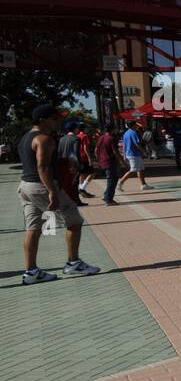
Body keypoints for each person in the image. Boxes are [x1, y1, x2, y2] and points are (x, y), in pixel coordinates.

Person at [17, 105, 100, 284]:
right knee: (75, 221)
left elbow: (37, 161)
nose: (58, 121)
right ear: (42, 120)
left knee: (33, 228)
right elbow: (42, 166)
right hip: (42, 186)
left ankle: (31, 272)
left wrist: (63, 161)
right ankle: (73, 263)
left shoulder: (26, 137)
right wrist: (52, 191)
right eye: (55, 118)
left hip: (25, 186)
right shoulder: (44, 139)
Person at [116, 120, 153, 194]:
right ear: (133, 125)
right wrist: (144, 152)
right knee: (133, 170)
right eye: (135, 124)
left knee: (140, 169)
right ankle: (120, 182)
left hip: (131, 153)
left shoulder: (126, 133)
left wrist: (124, 154)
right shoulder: (134, 132)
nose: (137, 126)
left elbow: (124, 144)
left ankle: (143, 185)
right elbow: (137, 144)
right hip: (134, 154)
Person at [96, 123, 123, 205]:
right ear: (112, 129)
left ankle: (106, 196)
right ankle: (109, 200)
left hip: (103, 162)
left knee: (110, 180)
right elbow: (115, 152)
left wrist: (99, 159)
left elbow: (96, 150)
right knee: (112, 181)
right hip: (111, 162)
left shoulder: (101, 138)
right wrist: (122, 161)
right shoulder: (111, 139)